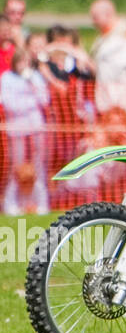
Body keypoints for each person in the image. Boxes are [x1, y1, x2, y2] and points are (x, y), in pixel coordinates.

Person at [1, 47, 51, 214]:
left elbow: (44, 99)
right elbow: (8, 103)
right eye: (21, 61)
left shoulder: (35, 77)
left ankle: (42, 204)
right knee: (16, 166)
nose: (24, 65)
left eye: (27, 62)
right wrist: (29, 103)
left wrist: (32, 83)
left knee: (38, 166)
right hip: (16, 128)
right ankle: (11, 205)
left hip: (35, 127)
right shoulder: (6, 78)